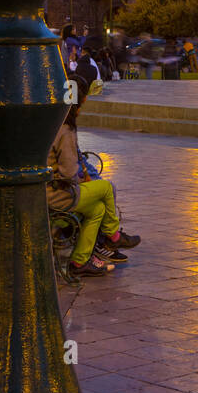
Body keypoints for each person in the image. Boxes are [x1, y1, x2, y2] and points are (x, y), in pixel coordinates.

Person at [46, 80, 141, 275]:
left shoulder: (52, 122)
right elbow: (68, 173)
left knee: (97, 209)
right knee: (106, 187)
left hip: (47, 190)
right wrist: (83, 181)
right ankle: (113, 237)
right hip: (57, 194)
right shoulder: (65, 130)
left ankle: (79, 263)